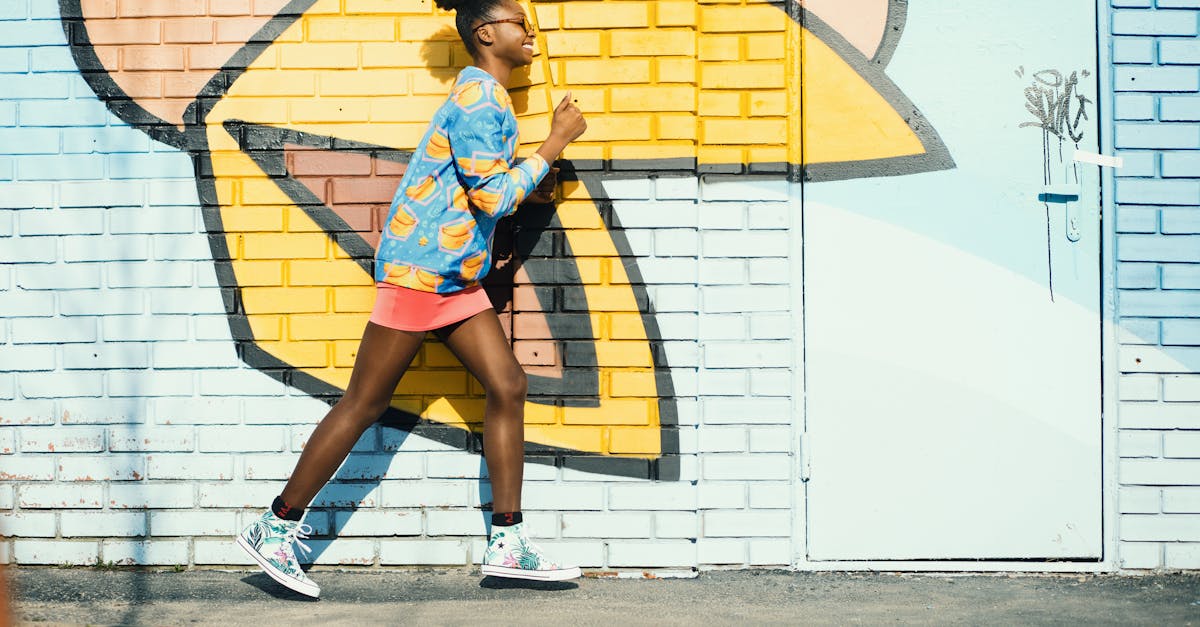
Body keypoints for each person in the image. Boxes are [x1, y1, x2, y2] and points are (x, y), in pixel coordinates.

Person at [235, 0, 587, 597]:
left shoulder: (487, 99)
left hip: (450, 278)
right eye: (518, 23)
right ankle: (276, 525)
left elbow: (478, 194)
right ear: (485, 33)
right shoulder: (480, 98)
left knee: (507, 386)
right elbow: (493, 198)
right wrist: (553, 143)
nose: (530, 32)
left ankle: (508, 542)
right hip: (425, 275)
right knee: (364, 403)